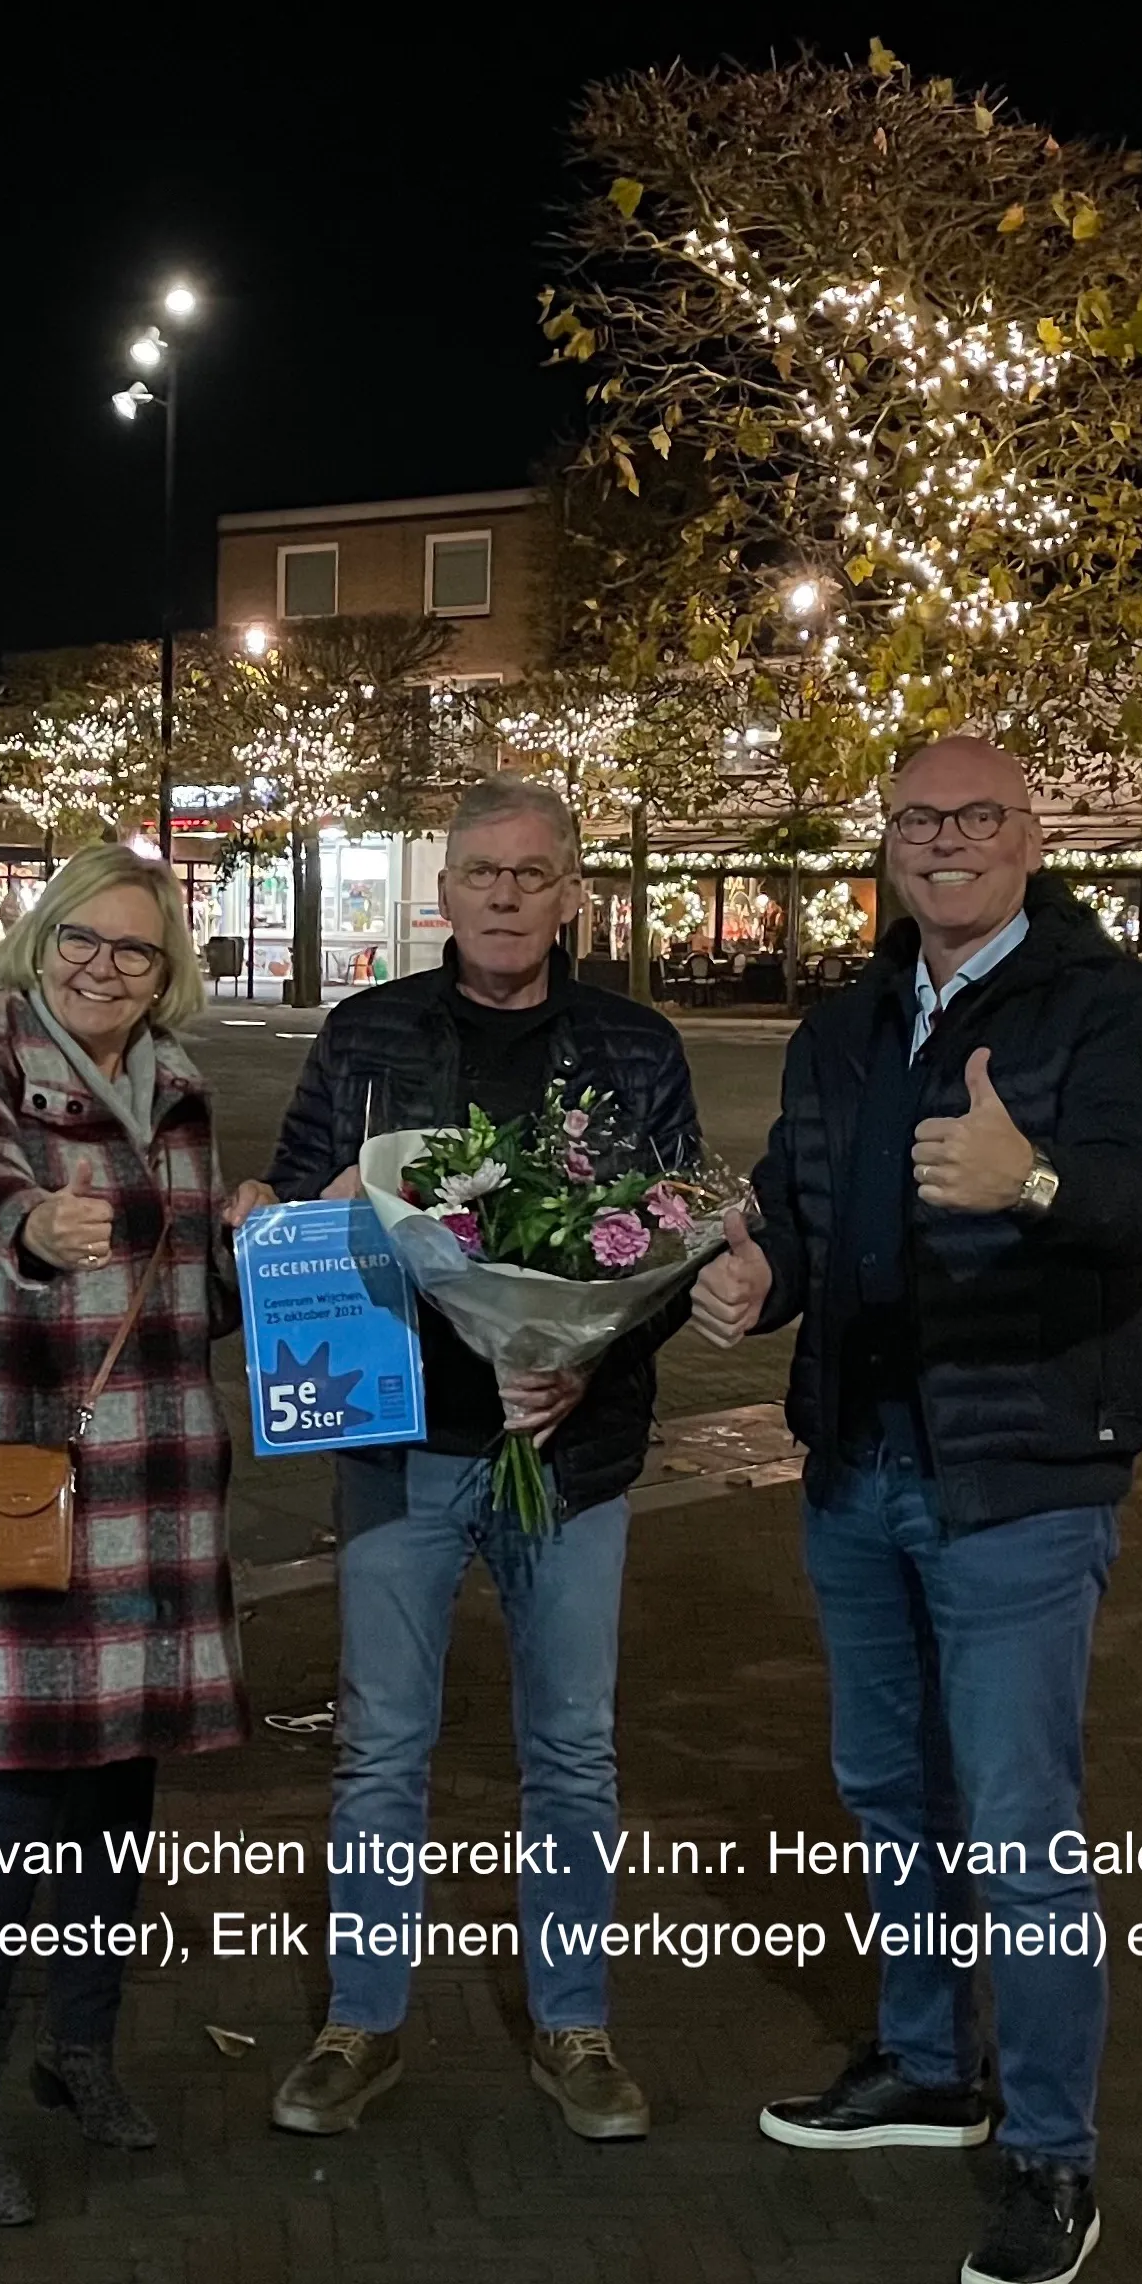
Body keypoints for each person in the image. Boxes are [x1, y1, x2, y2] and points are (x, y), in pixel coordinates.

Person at [688, 733, 1142, 2284]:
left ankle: (1052, 2145)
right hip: (860, 1465)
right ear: (889, 846)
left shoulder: (1105, 1009)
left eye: (977, 817)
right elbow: (800, 1196)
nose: (946, 842)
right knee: (888, 1787)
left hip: (1020, 1472)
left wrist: (1028, 1179)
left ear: (1031, 838)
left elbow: (1139, 1202)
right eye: (918, 818)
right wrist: (758, 1276)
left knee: (1019, 1824)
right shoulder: (842, 1022)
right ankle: (928, 2063)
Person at [234, 774, 699, 2145]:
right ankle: (360, 2021)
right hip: (400, 1439)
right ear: (443, 891)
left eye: (533, 872)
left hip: (575, 1450)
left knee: (570, 1747)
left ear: (572, 892)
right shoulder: (370, 1031)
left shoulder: (634, 1043)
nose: (506, 894)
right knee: (383, 1745)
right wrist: (284, 1213)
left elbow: (666, 1237)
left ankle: (574, 2022)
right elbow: (298, 1197)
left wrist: (582, 1354)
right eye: (482, 872)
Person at [0, 845, 250, 2226]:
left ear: (169, 975)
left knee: (119, 1799)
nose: (102, 969)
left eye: (133, 952)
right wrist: (35, 1223)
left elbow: (181, 1301)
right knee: (6, 1807)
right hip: (35, 1477)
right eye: (79, 942)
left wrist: (268, 1245)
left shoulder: (178, 1095)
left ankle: (82, 2051)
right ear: (34, 942)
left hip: (159, 1482)